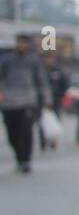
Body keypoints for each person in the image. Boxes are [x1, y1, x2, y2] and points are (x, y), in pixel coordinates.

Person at [0, 33, 52, 173]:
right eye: (19, 42)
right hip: (9, 102)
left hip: (28, 101)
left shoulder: (34, 61)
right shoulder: (6, 60)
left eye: (24, 42)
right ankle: (18, 156)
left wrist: (47, 99)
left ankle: (25, 160)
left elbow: (41, 81)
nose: (21, 45)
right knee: (12, 133)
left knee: (25, 132)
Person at [39, 52, 69, 150]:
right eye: (47, 58)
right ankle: (43, 142)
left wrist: (61, 95)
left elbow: (65, 84)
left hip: (56, 99)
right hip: (42, 100)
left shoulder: (59, 71)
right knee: (43, 121)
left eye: (51, 58)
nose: (49, 60)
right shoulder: (40, 70)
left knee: (55, 119)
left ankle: (53, 141)